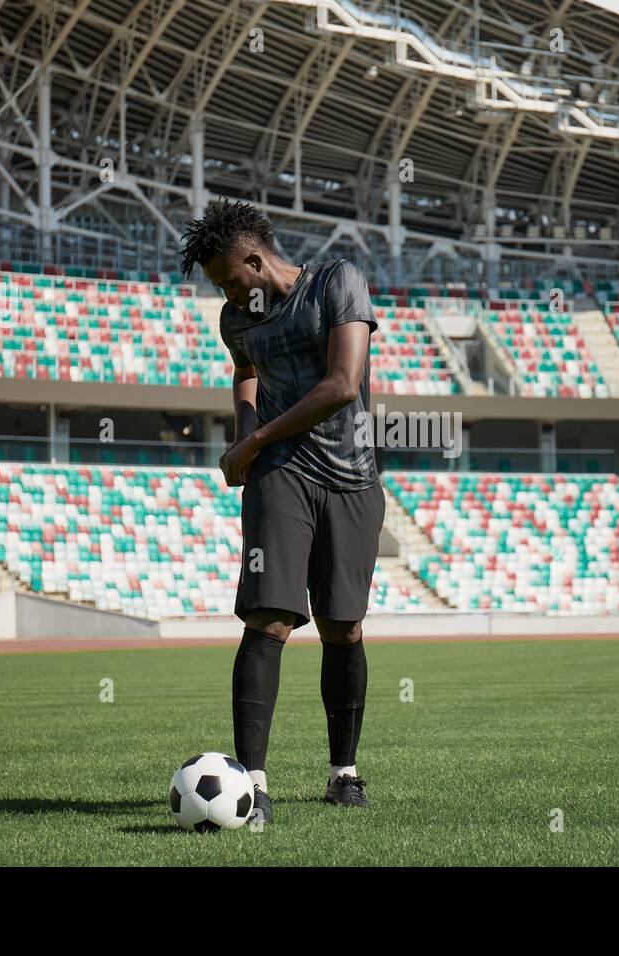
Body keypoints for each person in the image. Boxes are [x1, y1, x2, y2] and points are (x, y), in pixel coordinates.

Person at [179, 199, 384, 826]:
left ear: (254, 259)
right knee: (267, 619)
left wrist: (255, 439)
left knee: (342, 627)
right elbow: (245, 373)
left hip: (352, 477)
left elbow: (343, 384)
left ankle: (343, 774)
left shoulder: (337, 282)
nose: (227, 294)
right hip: (279, 475)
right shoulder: (235, 320)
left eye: (228, 279)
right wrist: (247, 436)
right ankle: (252, 787)